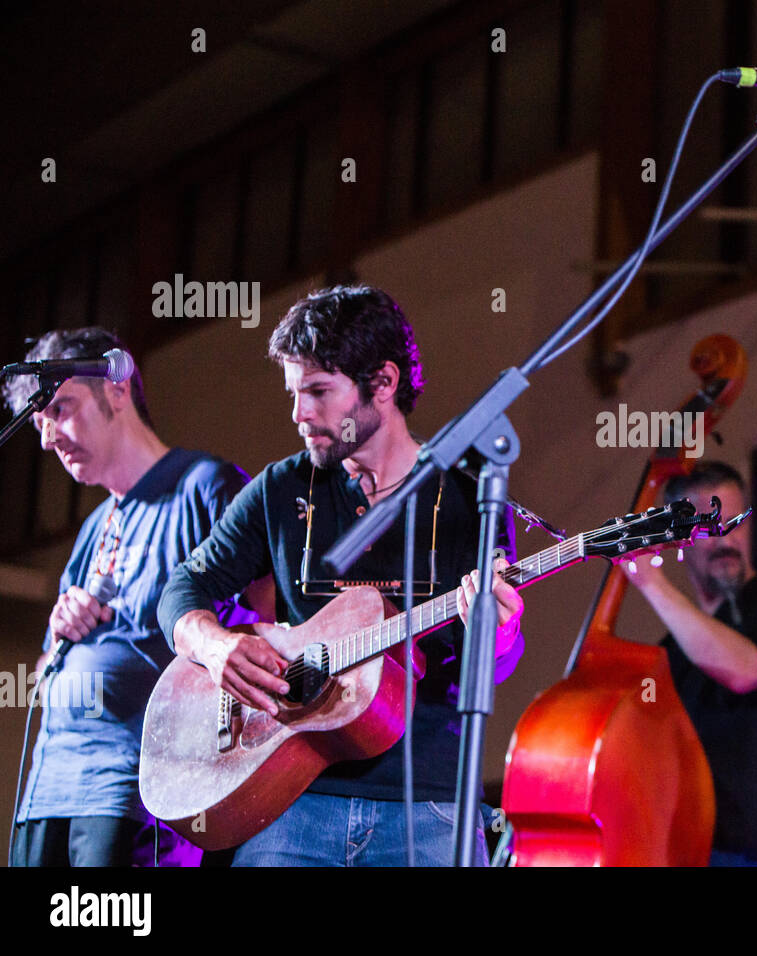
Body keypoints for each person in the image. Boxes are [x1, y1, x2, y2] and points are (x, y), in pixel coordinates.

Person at [157, 285, 523, 866]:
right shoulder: (281, 489)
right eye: (294, 393)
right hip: (288, 799)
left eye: (319, 392)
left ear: (383, 382)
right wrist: (214, 643)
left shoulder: (468, 494)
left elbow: (493, 665)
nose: (299, 414)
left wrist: (500, 633)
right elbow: (183, 589)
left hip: (425, 805)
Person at [6, 326, 254, 867]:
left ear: (116, 388)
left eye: (61, 409)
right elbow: (48, 675)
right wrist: (64, 631)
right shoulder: (94, 525)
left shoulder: (203, 485)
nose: (48, 438)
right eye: (40, 425)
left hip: (133, 790)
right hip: (47, 792)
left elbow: (260, 628)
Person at [622, 461, 757, 865]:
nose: (725, 538)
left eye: (735, 521)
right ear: (678, 542)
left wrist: (650, 582)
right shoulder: (666, 656)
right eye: (707, 527)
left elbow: (745, 669)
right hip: (686, 851)